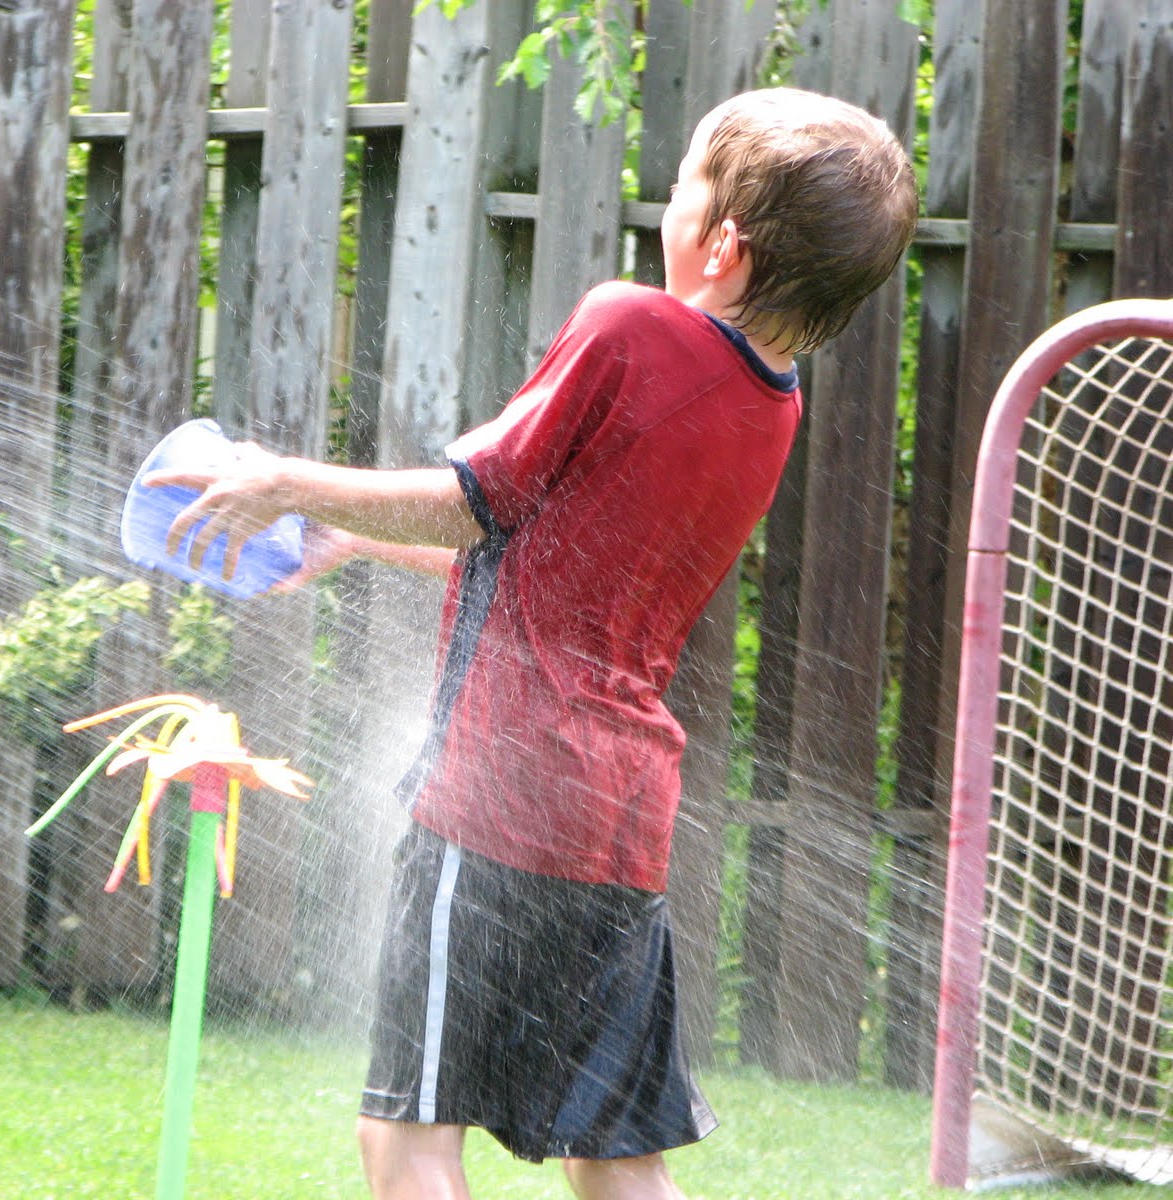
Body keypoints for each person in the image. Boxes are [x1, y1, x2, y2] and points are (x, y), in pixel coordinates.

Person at [149, 88, 919, 1200]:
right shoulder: (769, 408)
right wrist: (348, 535)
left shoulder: (629, 324)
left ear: (718, 244)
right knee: (613, 1157)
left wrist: (280, 481)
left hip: (499, 793)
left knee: (407, 1136)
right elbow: (553, 557)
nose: (668, 201)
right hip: (619, 818)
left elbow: (476, 502)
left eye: (687, 179)